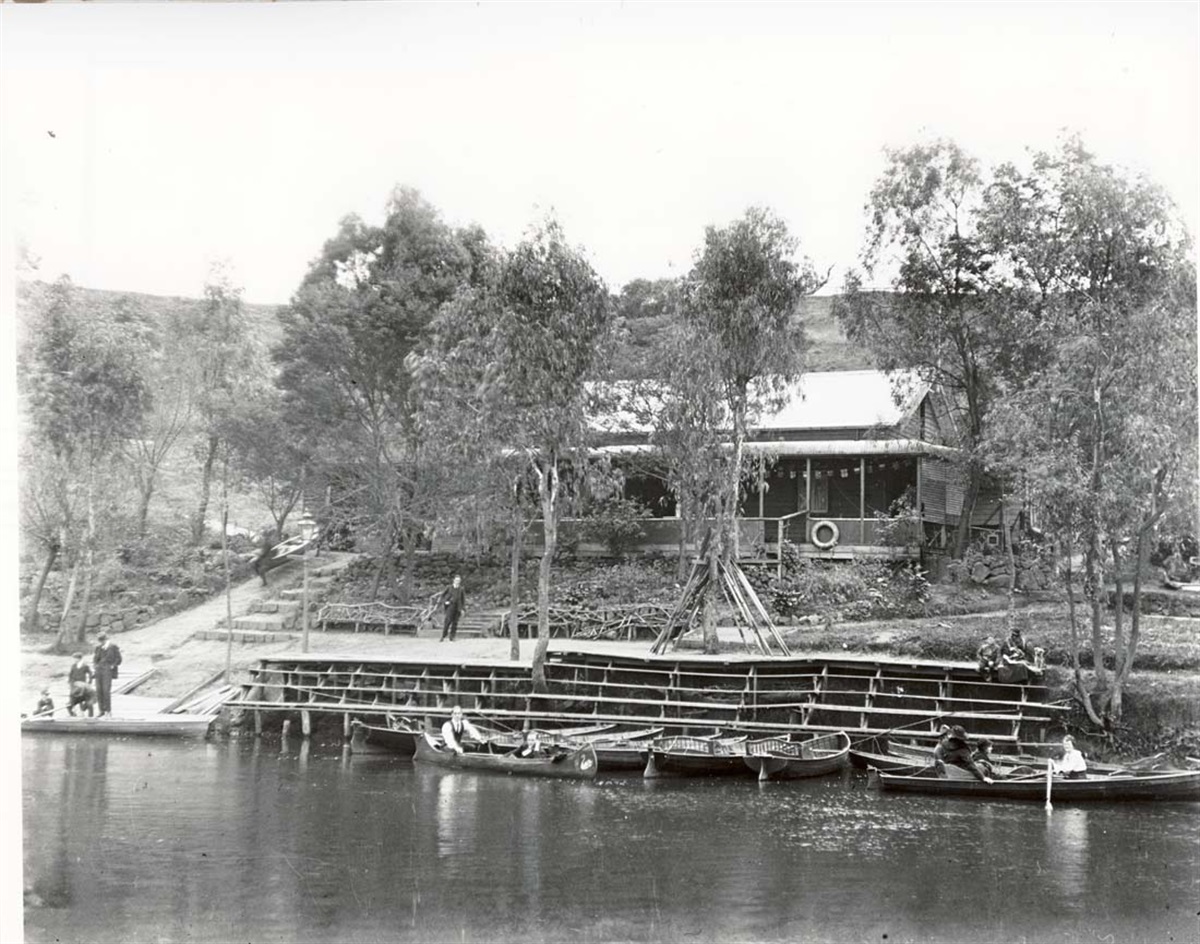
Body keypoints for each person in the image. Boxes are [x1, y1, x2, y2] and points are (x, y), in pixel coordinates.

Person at [92, 631, 123, 717]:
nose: (102, 643)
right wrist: (95, 665)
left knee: (106, 691)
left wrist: (113, 665)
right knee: (99, 691)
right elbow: (95, 659)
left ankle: (108, 710)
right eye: (100, 641)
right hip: (98, 671)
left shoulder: (113, 647)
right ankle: (101, 710)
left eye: (103, 641)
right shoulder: (98, 647)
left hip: (107, 671)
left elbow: (119, 659)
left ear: (106, 639)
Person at [67, 652, 95, 717]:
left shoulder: (85, 666)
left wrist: (89, 682)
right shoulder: (73, 666)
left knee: (84, 699)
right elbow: (70, 675)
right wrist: (70, 683)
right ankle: (73, 715)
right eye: (74, 659)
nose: (74, 660)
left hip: (82, 684)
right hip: (75, 684)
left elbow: (90, 673)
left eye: (75, 659)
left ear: (79, 659)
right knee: (73, 699)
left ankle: (90, 716)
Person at [439, 575, 466, 642]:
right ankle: (443, 635)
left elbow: (463, 600)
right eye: (456, 580)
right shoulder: (449, 588)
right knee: (447, 621)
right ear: (454, 580)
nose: (457, 582)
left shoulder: (461, 589)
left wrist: (463, 609)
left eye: (459, 581)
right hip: (450, 606)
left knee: (455, 623)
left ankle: (452, 636)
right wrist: (445, 602)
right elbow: (442, 595)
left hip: (458, 608)